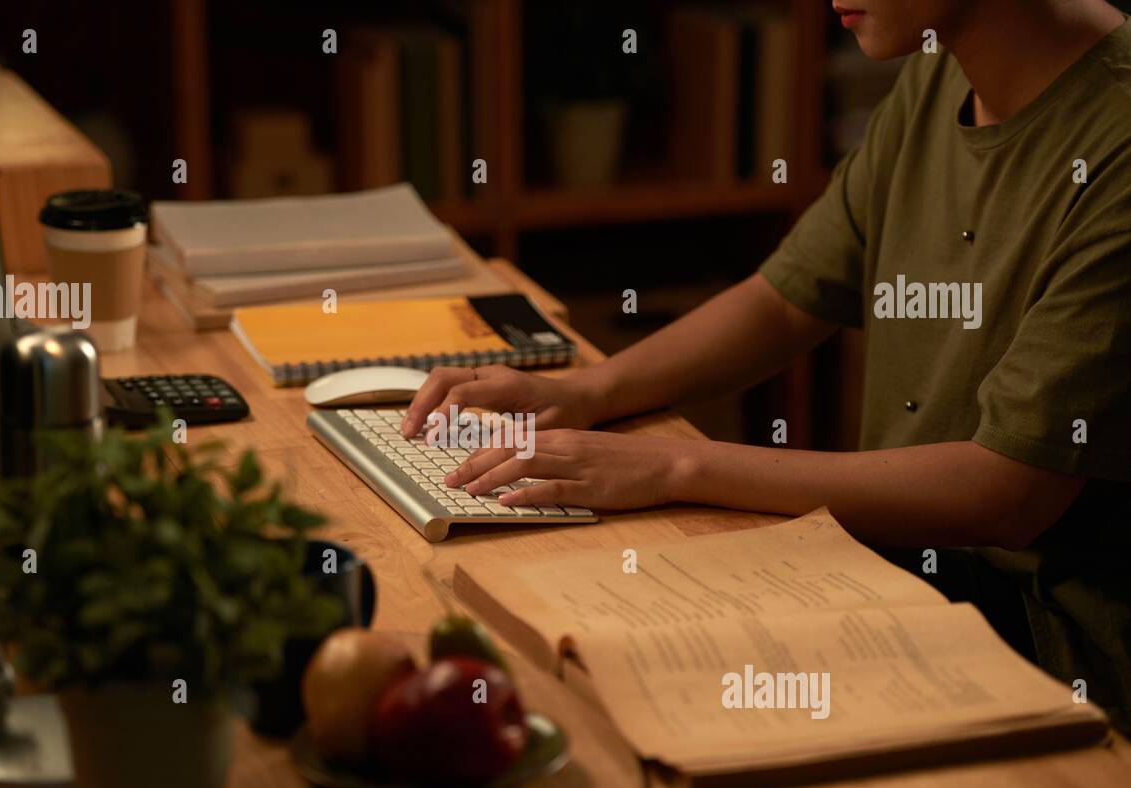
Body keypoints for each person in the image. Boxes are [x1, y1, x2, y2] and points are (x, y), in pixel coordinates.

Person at [401, 0, 1131, 729]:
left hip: (1047, 639)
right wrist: (587, 391)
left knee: (634, 677)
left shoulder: (1117, 138)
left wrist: (675, 468)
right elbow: (787, 299)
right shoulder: (940, 69)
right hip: (899, 562)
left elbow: (1008, 493)